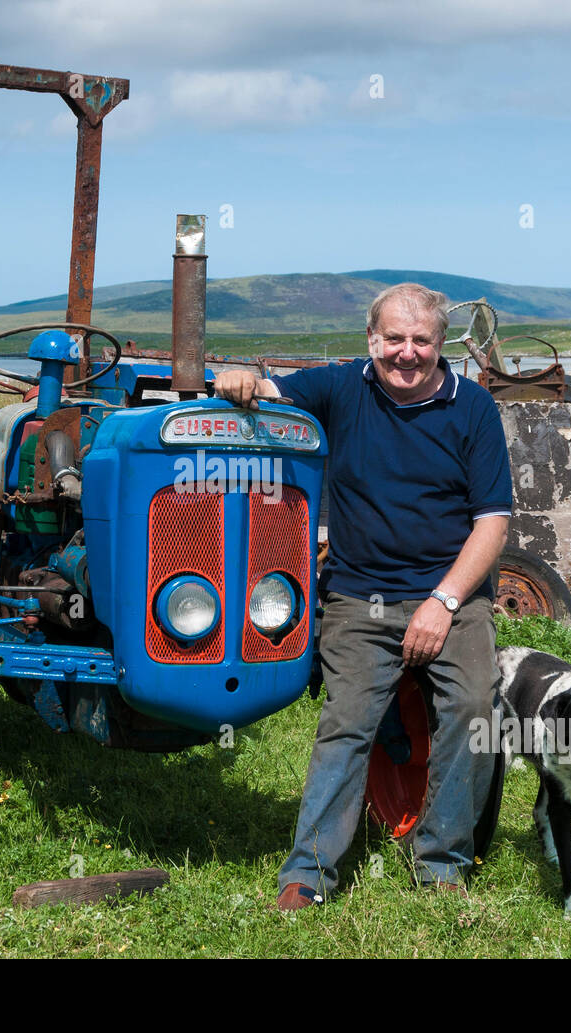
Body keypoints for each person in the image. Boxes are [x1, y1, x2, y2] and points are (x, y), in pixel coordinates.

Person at [213, 283, 512, 910]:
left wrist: (445, 602)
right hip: (359, 596)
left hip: (451, 596)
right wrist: (239, 376)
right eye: (395, 340)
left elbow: (492, 524)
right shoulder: (344, 387)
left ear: (440, 344)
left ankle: (442, 860)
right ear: (371, 340)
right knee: (346, 724)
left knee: (475, 713)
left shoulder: (474, 408)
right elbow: (268, 393)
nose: (408, 353)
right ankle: (309, 874)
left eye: (422, 340)